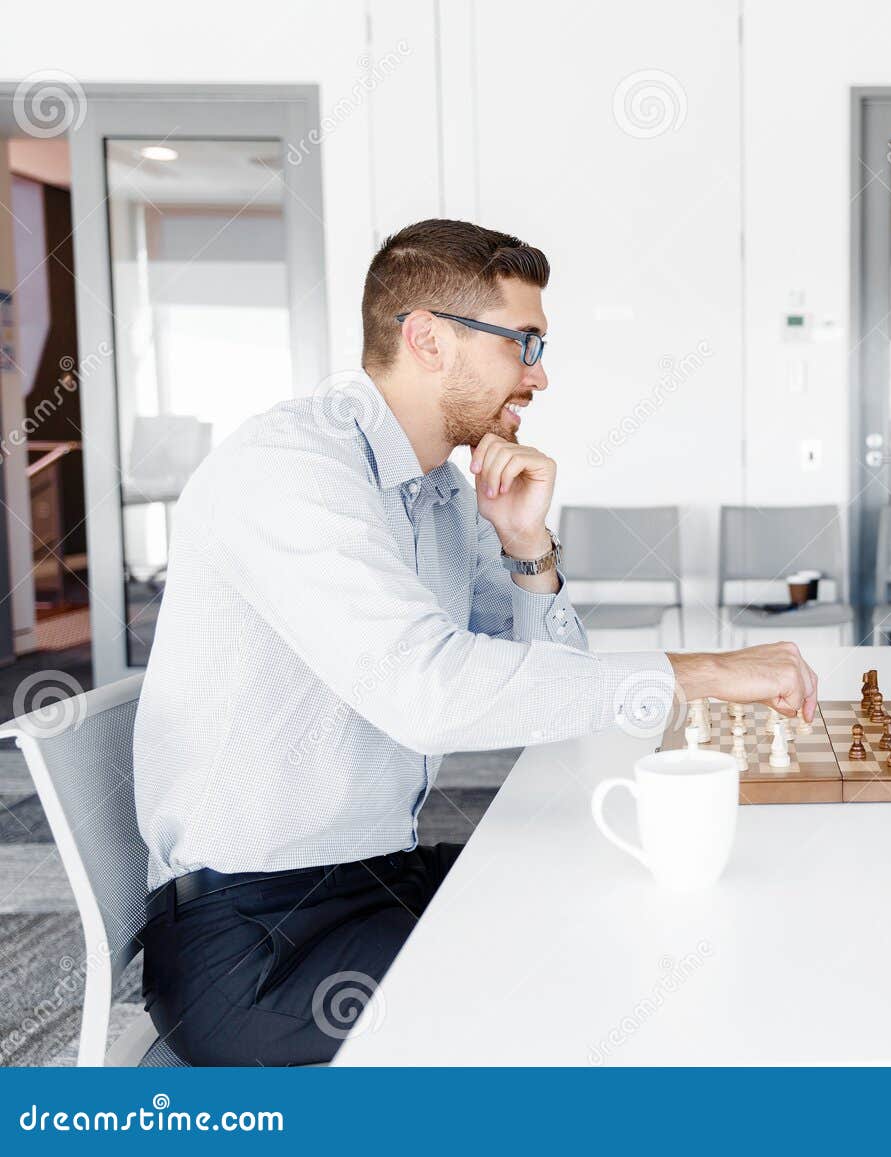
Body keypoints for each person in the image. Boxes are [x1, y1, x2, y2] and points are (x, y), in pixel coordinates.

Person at [134, 219, 818, 1065]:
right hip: (253, 945)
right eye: (522, 342)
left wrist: (528, 546)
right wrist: (705, 671)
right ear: (426, 338)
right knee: (567, 998)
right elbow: (428, 694)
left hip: (374, 878)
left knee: (616, 910)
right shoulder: (292, 468)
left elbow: (546, 696)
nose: (540, 373)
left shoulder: (445, 493)